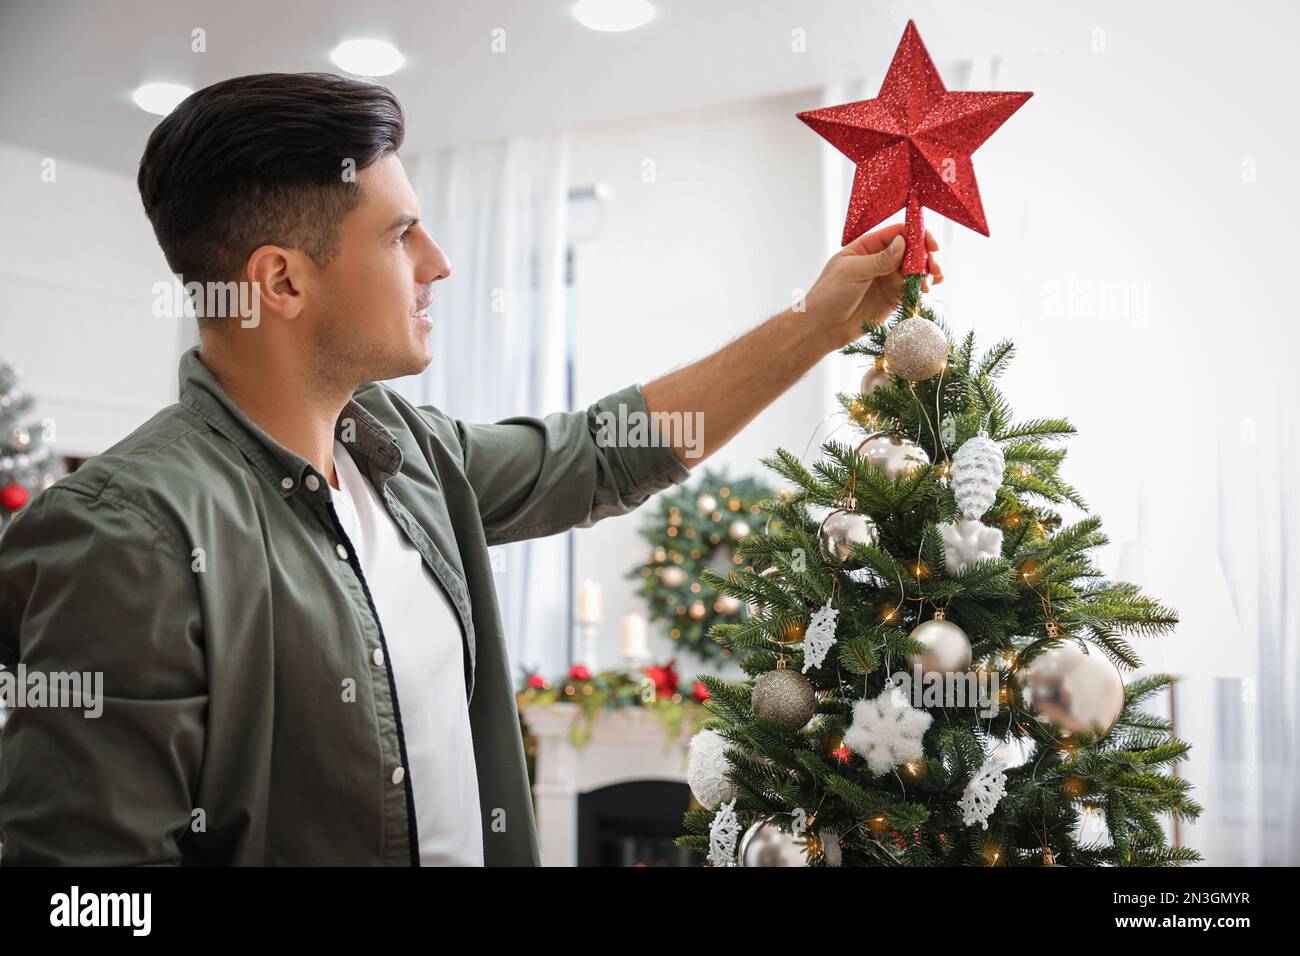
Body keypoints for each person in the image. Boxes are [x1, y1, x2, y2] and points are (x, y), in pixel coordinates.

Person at [0, 73, 940, 865]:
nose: (440, 263)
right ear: (282, 281)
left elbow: (605, 452)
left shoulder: (408, 451)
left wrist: (821, 324)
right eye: (399, 235)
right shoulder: (128, 532)